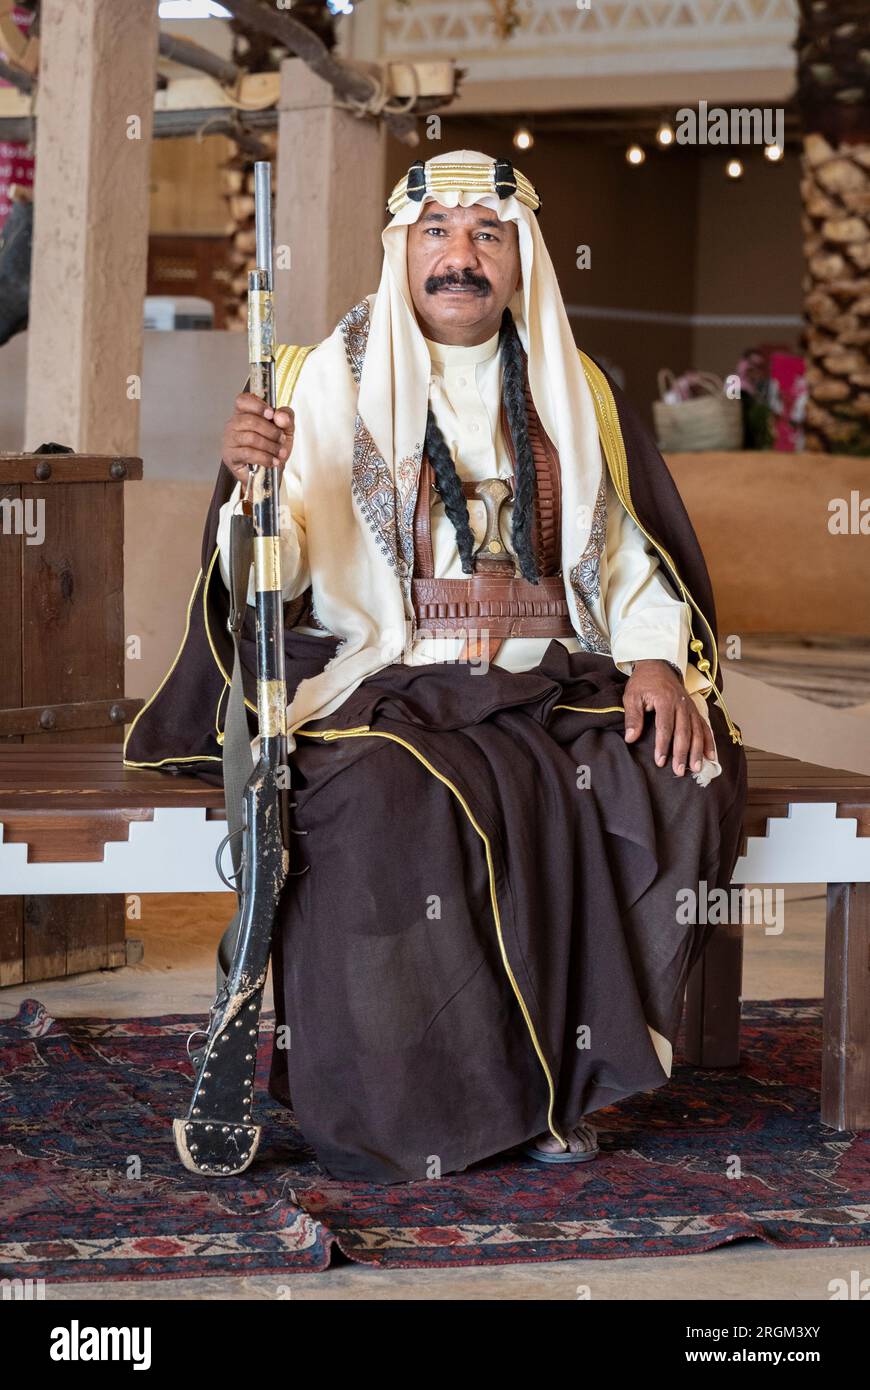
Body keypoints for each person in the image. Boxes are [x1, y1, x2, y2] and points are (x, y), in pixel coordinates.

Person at [125, 150, 747, 1184]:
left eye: (486, 236)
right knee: (385, 797)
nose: (461, 258)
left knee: (670, 764)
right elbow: (271, 586)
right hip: (382, 681)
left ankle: (572, 1084)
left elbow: (632, 552)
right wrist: (252, 488)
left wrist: (654, 662)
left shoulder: (575, 388)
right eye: (437, 236)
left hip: (550, 677)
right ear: (401, 253)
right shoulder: (318, 378)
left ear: (520, 259)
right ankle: (415, 1105)